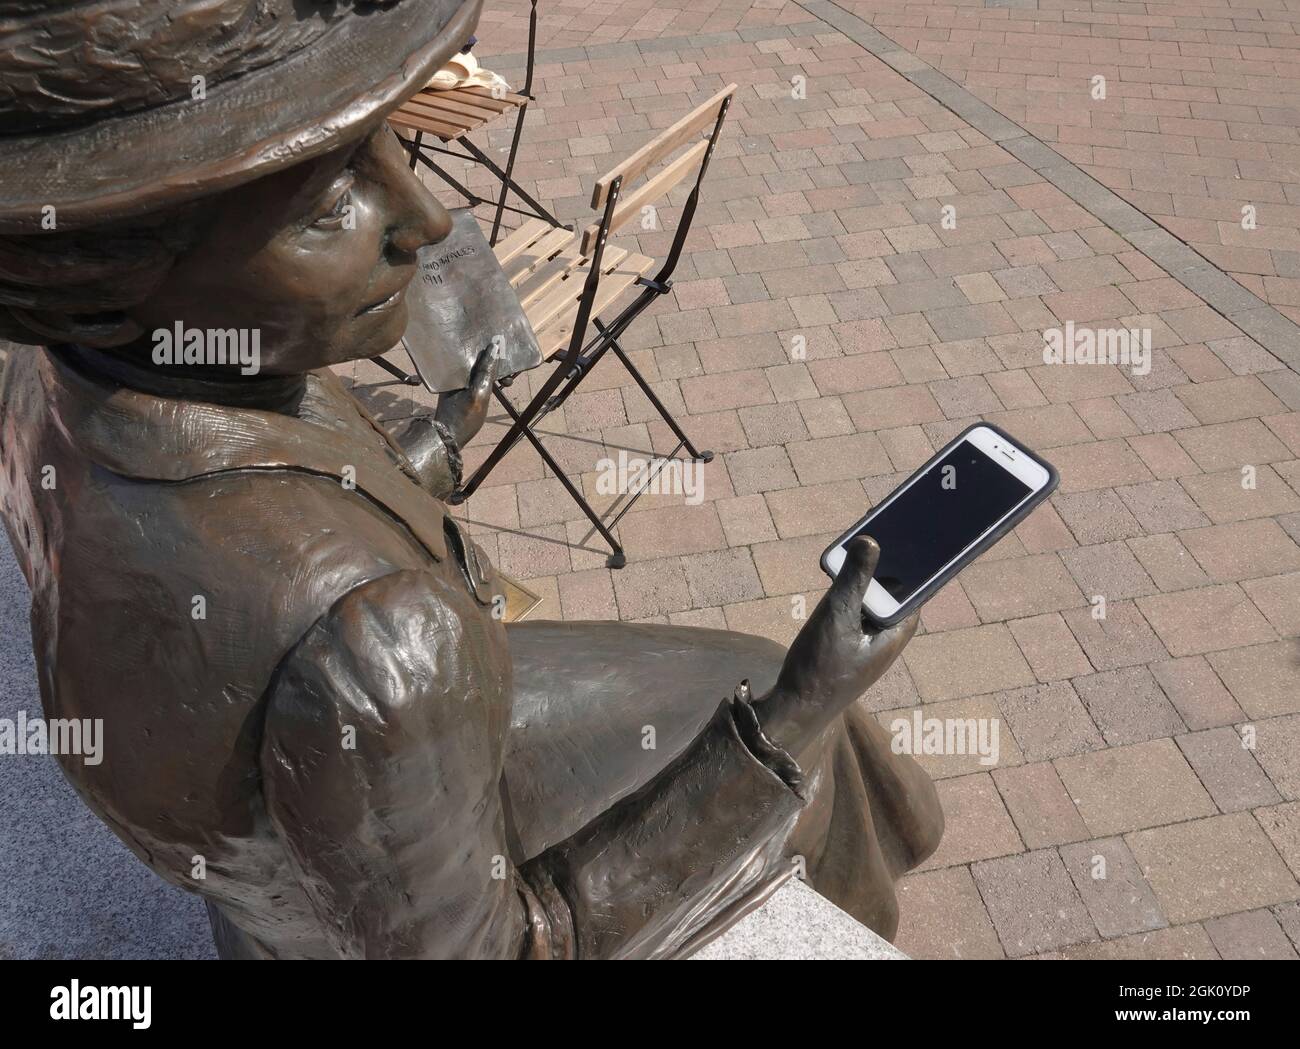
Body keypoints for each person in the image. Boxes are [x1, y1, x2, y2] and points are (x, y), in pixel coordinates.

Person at [0, 0, 941, 959]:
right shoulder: (384, 651)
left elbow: (270, 511)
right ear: (132, 273)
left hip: (311, 847)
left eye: (390, 148)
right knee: (798, 709)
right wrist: (787, 724)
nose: (426, 217)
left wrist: (434, 449)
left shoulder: (57, 382)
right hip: (401, 774)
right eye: (329, 207)